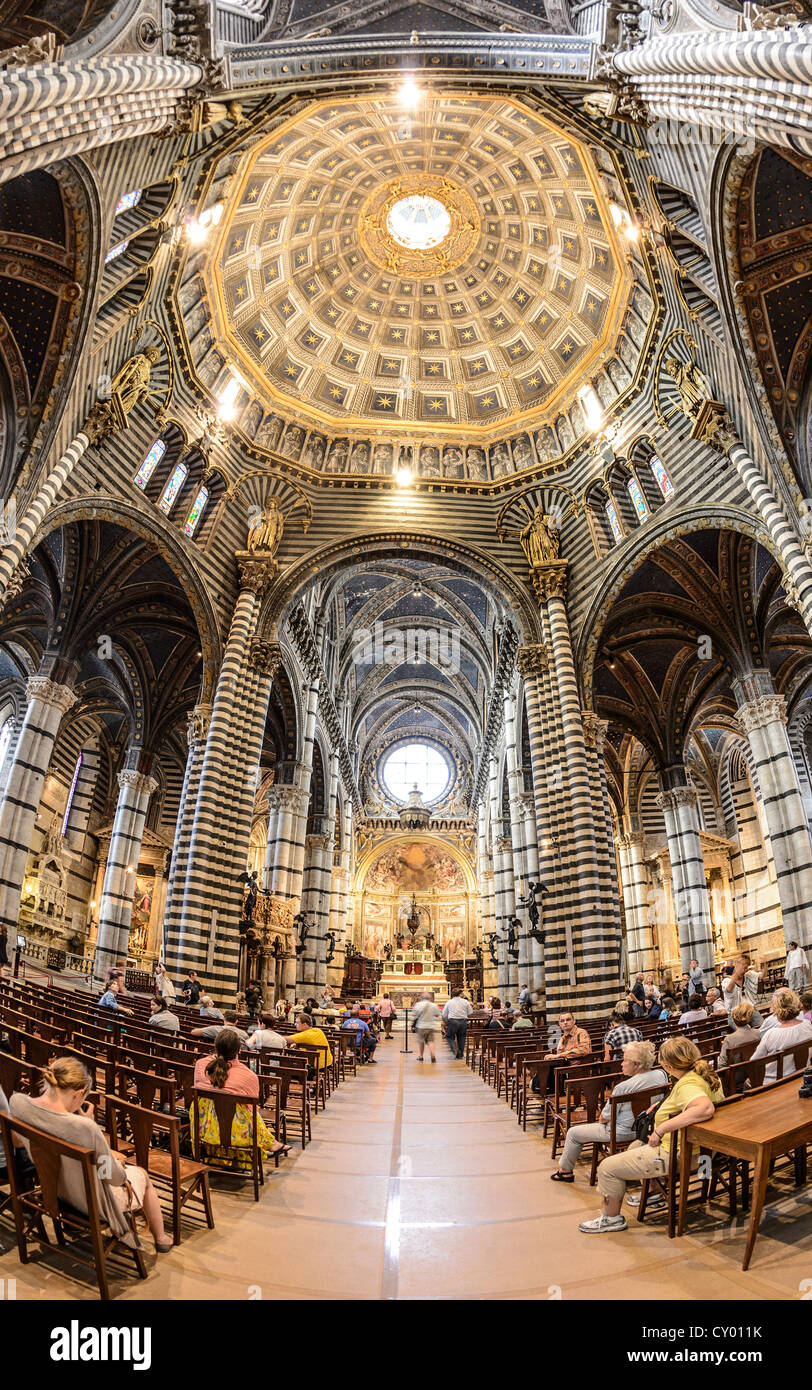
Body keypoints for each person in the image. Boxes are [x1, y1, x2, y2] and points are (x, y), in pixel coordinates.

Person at [9, 1056, 172, 1251]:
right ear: (78, 1094)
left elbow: (18, 1143)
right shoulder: (86, 1128)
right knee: (142, 1174)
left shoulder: (18, 1103)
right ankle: (161, 1238)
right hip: (91, 1203)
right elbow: (112, 1178)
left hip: (52, 1191)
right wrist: (94, 1129)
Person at [579, 1035, 722, 1234]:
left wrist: (661, 1129)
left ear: (668, 1064)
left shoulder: (688, 1085)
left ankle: (612, 1219)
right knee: (635, 1146)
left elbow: (704, 1108)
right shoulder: (703, 1075)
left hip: (683, 1155)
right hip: (705, 1151)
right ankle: (654, 1193)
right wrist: (662, 1104)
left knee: (607, 1167)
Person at [551, 1041, 669, 1183]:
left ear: (636, 1064)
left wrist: (603, 1115)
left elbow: (604, 1118)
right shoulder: (661, 1074)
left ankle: (565, 1172)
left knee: (573, 1133)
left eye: (625, 1060)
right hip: (648, 1129)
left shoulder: (623, 1087)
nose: (621, 1063)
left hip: (622, 1132)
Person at [192, 1029, 275, 1167]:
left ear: (215, 1048)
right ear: (239, 1051)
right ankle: (270, 1143)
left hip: (203, 1128)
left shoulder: (201, 1065)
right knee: (250, 1114)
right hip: (234, 1135)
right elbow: (252, 1110)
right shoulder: (249, 1076)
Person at [750, 988, 812, 1082]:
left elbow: (754, 1061)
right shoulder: (807, 1024)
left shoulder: (771, 1034)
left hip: (775, 1081)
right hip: (802, 1074)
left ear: (778, 1011)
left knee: (747, 1083)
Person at [717, 1001, 762, 1069]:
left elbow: (721, 1065)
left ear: (733, 1019)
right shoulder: (759, 1033)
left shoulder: (729, 1039)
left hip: (738, 1076)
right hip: (757, 1070)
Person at [721, 957, 763, 1024]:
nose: (743, 970)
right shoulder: (726, 981)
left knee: (762, 1027)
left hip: (750, 1010)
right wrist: (735, 975)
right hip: (735, 1014)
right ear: (736, 966)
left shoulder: (748, 975)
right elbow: (728, 990)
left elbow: (761, 976)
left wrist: (765, 965)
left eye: (745, 968)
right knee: (745, 1032)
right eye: (742, 967)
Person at [412, 991, 443, 1063]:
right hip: (430, 1025)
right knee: (431, 1041)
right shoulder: (433, 1005)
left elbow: (414, 1014)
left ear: (421, 998)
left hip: (421, 1025)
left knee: (421, 1041)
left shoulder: (418, 1005)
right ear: (430, 998)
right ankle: (432, 1055)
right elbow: (437, 1015)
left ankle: (421, 1056)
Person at [442, 989, 473, 1059]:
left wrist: (445, 1021)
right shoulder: (465, 1002)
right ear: (460, 994)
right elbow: (470, 1012)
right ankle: (460, 1054)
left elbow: (444, 1014)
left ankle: (454, 1048)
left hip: (452, 1021)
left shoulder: (449, 1002)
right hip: (463, 1021)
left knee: (449, 1036)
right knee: (462, 1038)